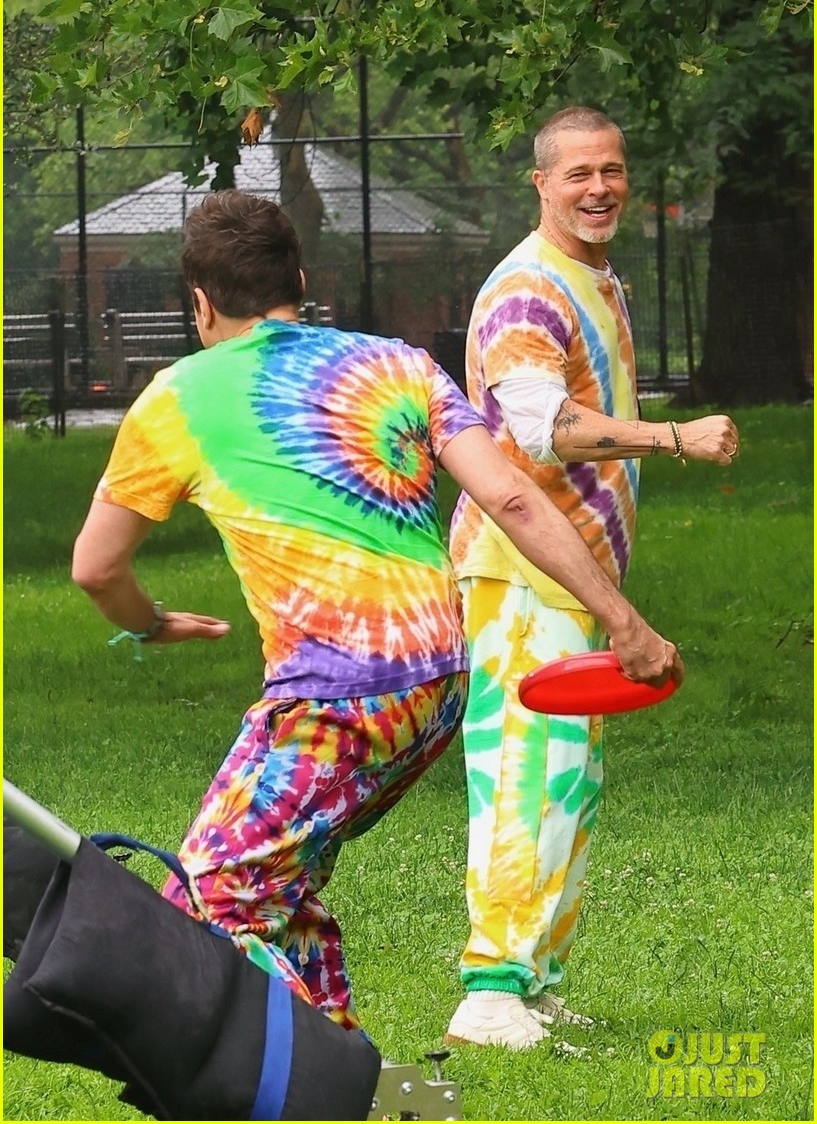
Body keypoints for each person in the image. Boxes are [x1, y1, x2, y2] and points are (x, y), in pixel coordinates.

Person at [72, 188, 682, 1040]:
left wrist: (147, 621)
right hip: (438, 683)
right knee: (274, 887)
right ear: (301, 281)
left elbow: (97, 567)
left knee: (204, 894)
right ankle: (344, 1067)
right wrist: (622, 619)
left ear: (200, 303)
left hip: (338, 697)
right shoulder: (395, 364)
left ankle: (298, 1073)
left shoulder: (176, 397)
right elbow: (509, 495)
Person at [444, 106, 740, 1050]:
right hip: (521, 573)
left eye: (611, 170)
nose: (600, 187)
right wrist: (671, 437)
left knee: (566, 781)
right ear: (540, 184)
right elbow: (537, 429)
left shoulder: (590, 275)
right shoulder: (529, 289)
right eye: (577, 173)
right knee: (524, 775)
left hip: (568, 577)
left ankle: (532, 978)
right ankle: (488, 991)